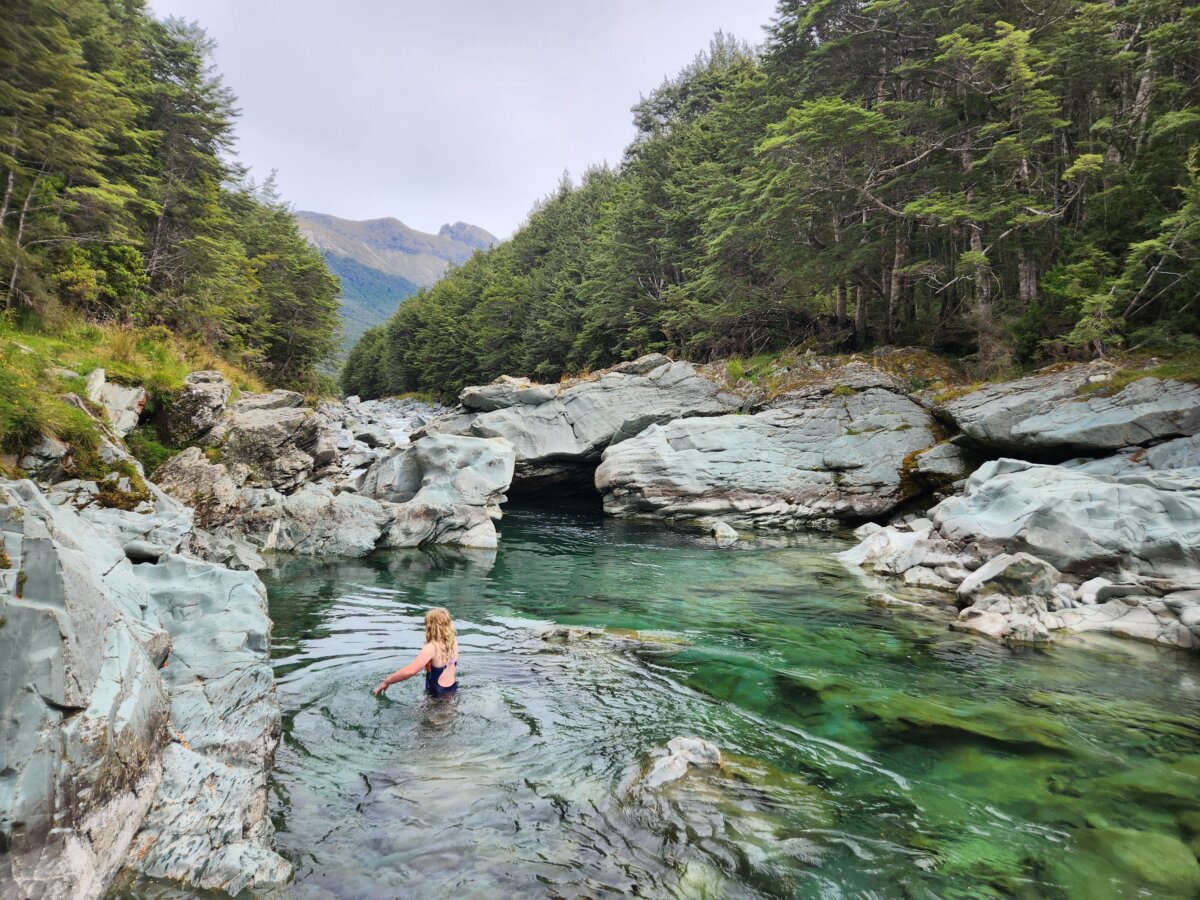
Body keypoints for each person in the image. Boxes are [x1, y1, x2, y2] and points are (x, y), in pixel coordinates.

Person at [374, 607, 459, 698]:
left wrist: (386, 682)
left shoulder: (431, 647)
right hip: (453, 688)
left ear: (430, 626)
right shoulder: (453, 642)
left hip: (438, 693)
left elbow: (409, 672)